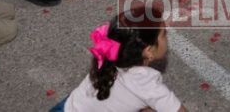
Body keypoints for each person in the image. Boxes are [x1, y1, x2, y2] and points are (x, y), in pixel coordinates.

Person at [55, 8, 186, 112]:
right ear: (149, 51)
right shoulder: (146, 83)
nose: (166, 35)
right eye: (164, 34)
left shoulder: (109, 59)